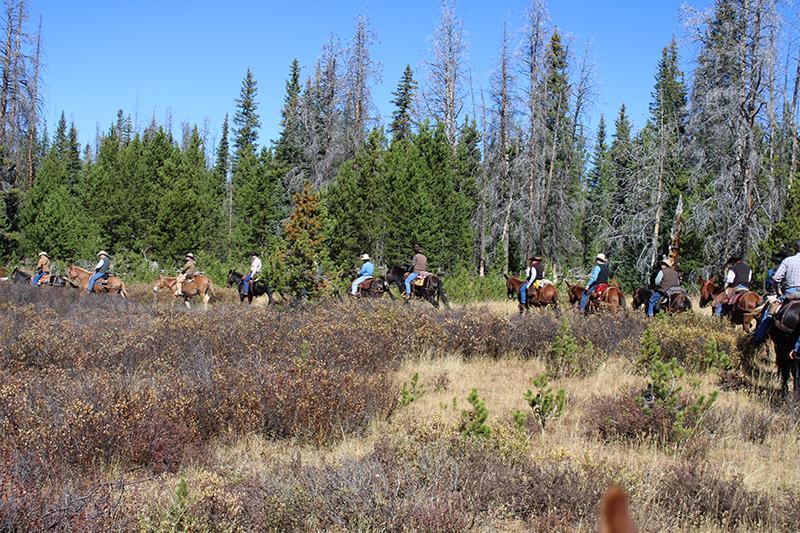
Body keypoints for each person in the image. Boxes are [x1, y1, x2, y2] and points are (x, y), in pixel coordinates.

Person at [753, 241, 800, 344]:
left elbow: (776, 279)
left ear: (795, 249)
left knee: (769, 312)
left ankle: (758, 338)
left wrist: (778, 292)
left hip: (790, 293)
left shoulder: (788, 261)